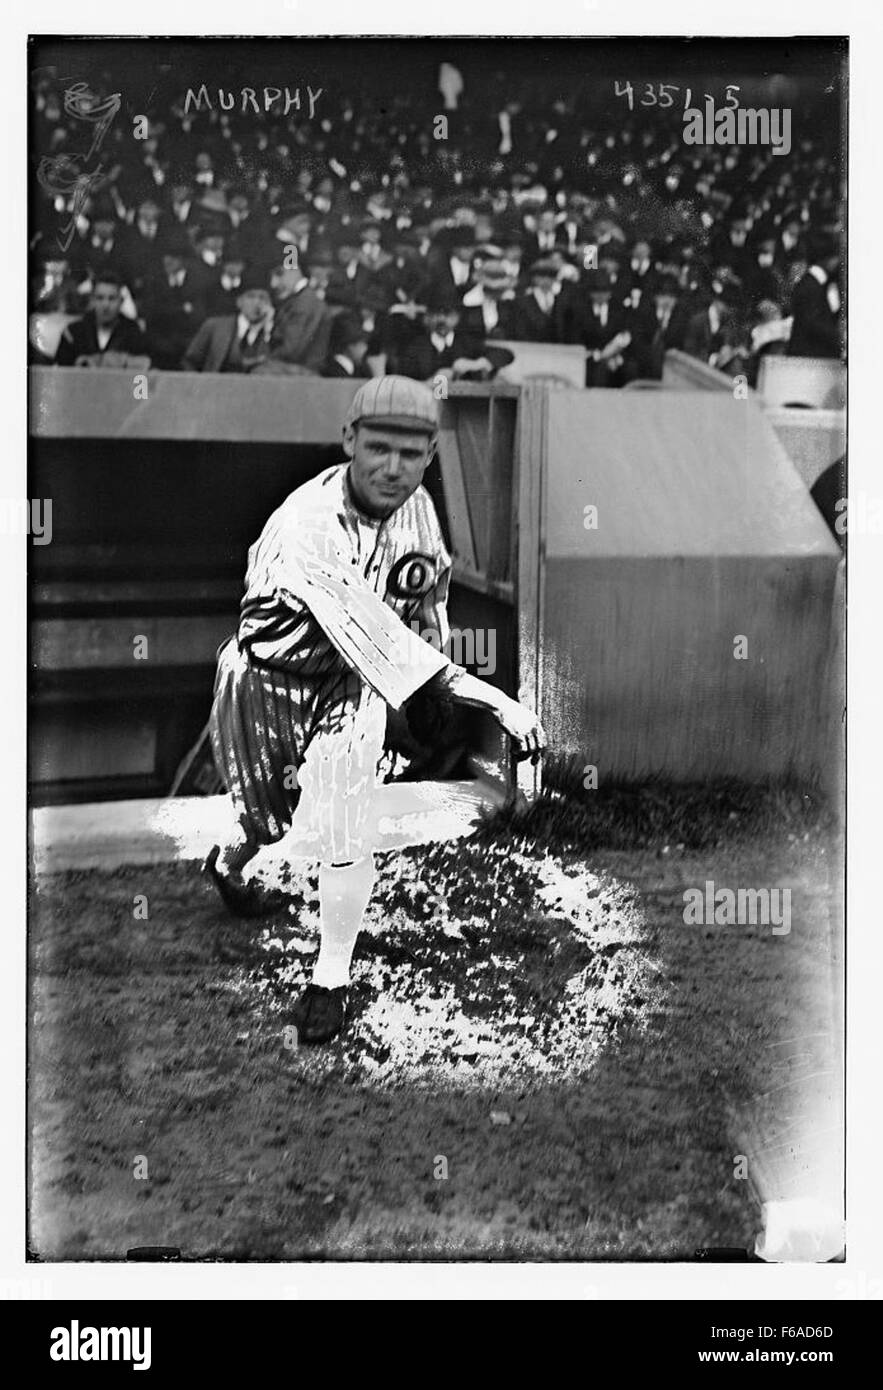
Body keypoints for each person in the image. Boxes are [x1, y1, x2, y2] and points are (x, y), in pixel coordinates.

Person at [204, 376, 546, 1044]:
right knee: (265, 824)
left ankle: (328, 979)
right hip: (269, 677)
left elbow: (423, 608)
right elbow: (374, 633)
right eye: (380, 448)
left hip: (348, 685)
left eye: (412, 454)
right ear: (348, 442)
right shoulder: (306, 524)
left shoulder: (418, 511)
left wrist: (432, 677)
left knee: (345, 829)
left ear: (430, 457)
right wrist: (489, 698)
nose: (394, 468)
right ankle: (228, 864)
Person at [181, 270, 274, 373]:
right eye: (251, 296)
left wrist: (268, 329)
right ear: (239, 302)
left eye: (262, 298)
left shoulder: (273, 331)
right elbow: (190, 362)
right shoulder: (214, 326)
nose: (257, 303)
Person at [54, 272, 148, 366]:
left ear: (121, 301)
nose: (105, 305)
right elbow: (59, 372)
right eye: (100, 298)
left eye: (112, 298)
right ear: (92, 300)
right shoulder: (73, 333)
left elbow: (143, 371)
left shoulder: (134, 332)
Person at [321, 313, 372, 378]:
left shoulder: (354, 371)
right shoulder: (335, 373)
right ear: (350, 346)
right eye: (363, 343)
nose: (366, 348)